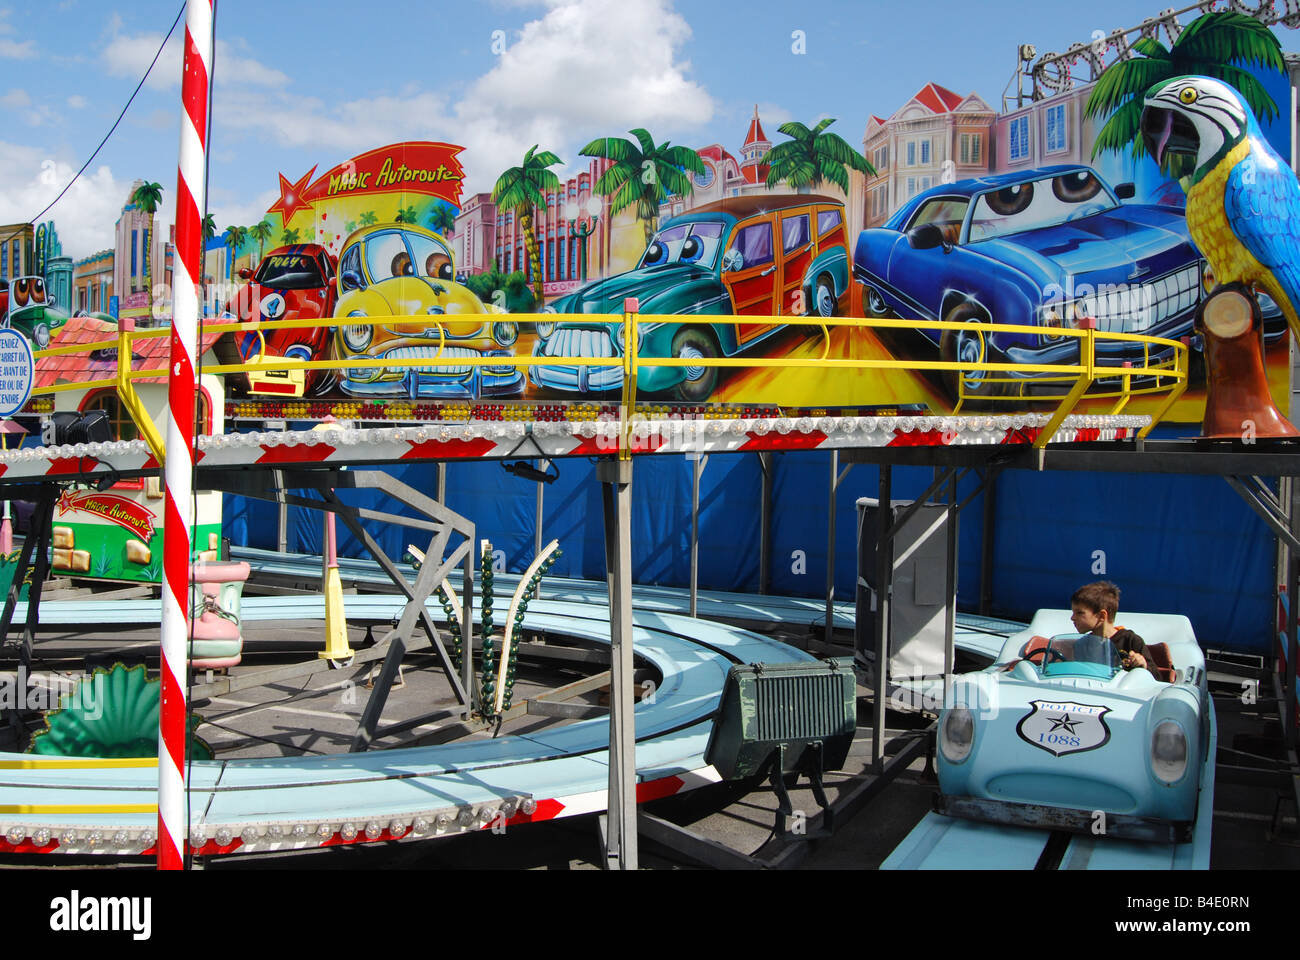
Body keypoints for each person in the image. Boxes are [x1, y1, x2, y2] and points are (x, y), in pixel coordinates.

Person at [1069, 581, 1160, 680]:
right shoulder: (1081, 645)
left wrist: (1143, 665)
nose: (1072, 618)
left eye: (1080, 613)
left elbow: (1158, 680)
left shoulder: (1131, 641)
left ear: (1102, 616)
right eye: (1073, 612)